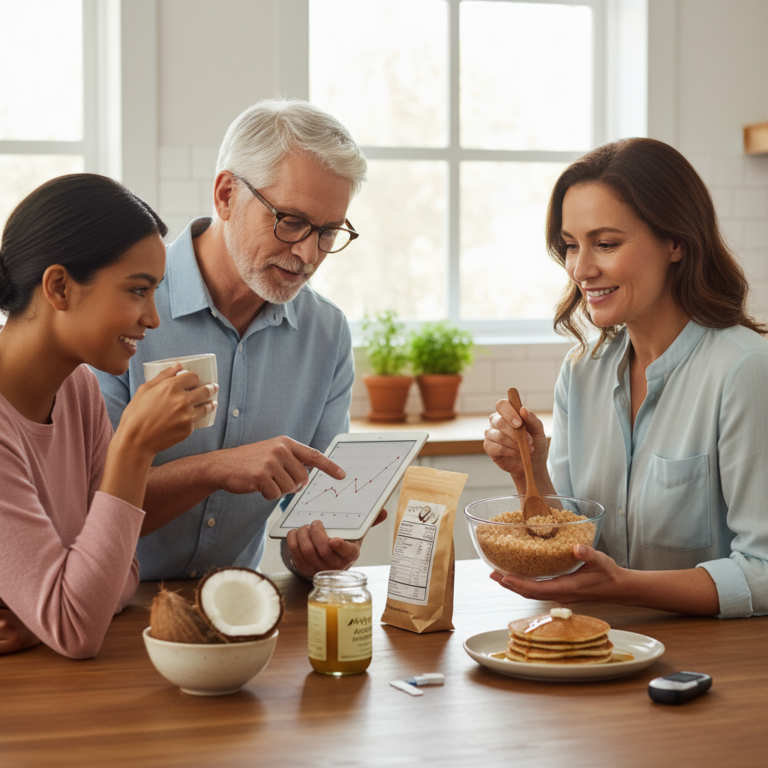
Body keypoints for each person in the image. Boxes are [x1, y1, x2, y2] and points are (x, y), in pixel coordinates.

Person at [94, 98, 380, 582]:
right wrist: (216, 468)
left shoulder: (326, 333)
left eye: (328, 232)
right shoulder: (122, 305)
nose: (308, 254)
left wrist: (315, 546)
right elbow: (87, 500)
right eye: (290, 221)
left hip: (237, 606)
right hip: (106, 608)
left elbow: (308, 508)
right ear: (226, 194)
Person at [483, 137, 768, 618]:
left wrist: (622, 586)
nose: (581, 269)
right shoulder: (581, 371)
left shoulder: (744, 370)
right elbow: (576, 542)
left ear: (675, 242)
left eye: (607, 244)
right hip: (600, 646)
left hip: (709, 668)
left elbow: (762, 570)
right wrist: (528, 472)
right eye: (571, 246)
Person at [0, 174, 217, 658]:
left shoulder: (77, 389)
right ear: (59, 286)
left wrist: (47, 613)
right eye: (138, 290)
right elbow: (79, 629)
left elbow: (119, 577)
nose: (154, 317)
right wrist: (134, 447)